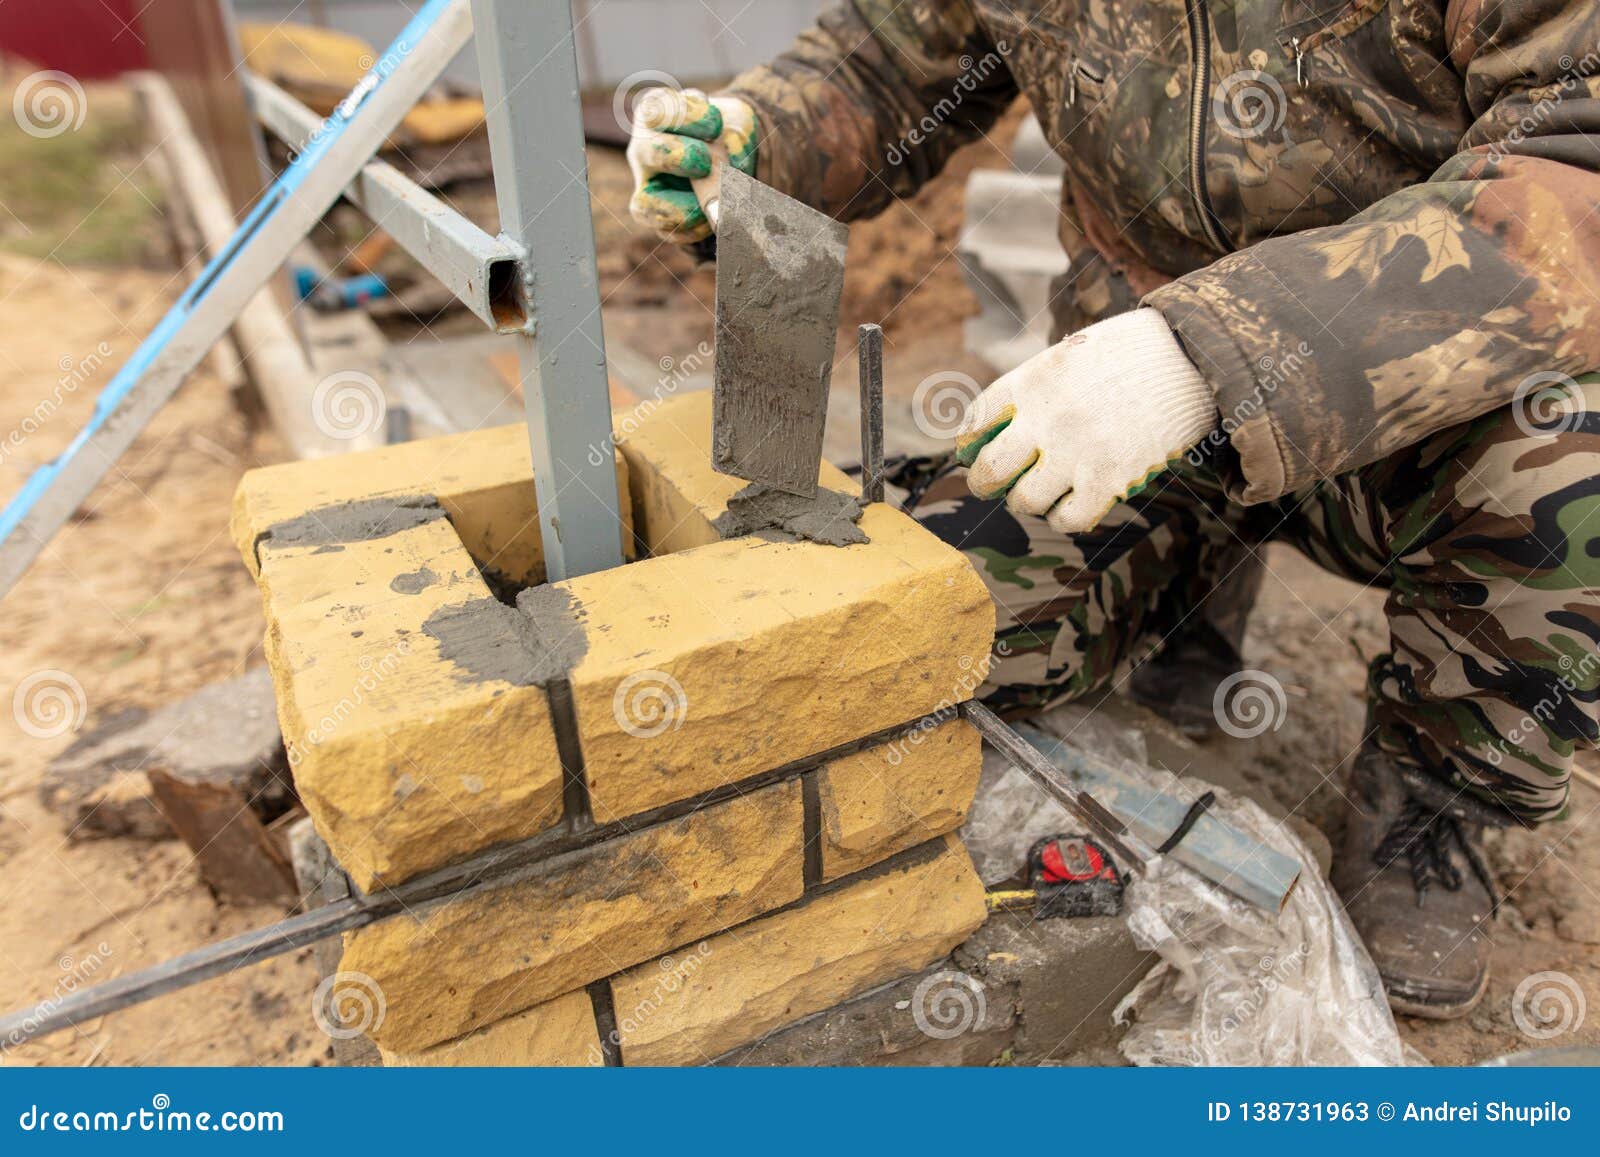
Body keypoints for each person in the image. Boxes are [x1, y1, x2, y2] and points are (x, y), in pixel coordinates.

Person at [626, 1, 1600, 1019]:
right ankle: (1193, 589)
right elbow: (880, 66)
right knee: (936, 617)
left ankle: (1431, 802)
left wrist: (1220, 351)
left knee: (1570, 482)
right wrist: (759, 135)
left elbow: (1575, 163)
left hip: (1426, 407)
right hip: (1121, 405)